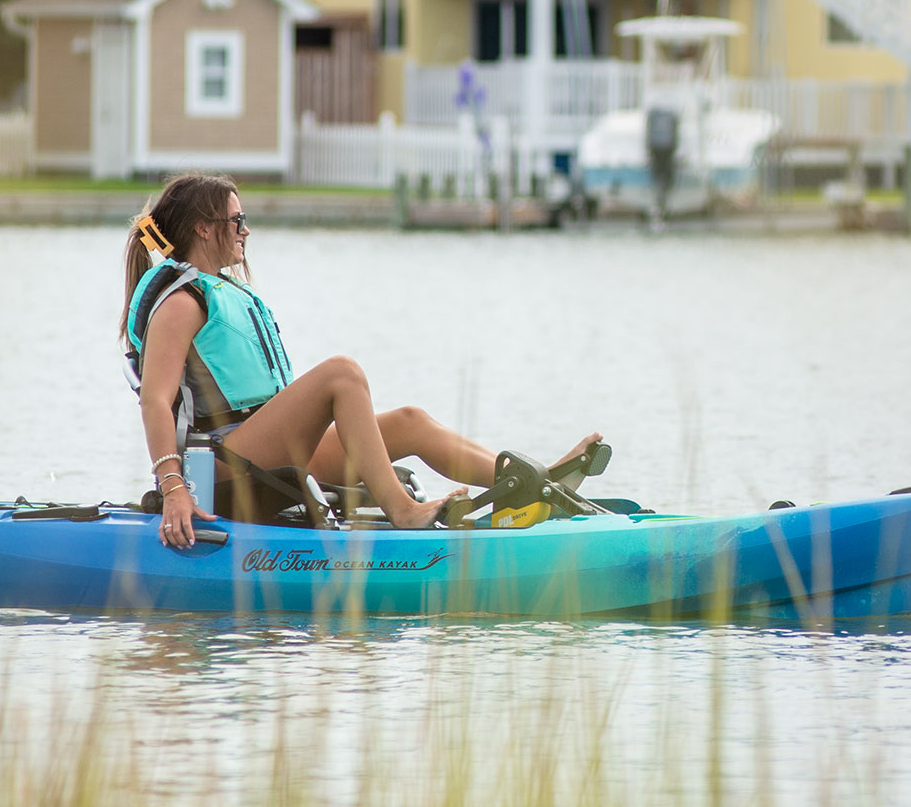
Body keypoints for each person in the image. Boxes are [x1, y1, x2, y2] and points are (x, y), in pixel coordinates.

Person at [122, 173, 599, 546]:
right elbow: (156, 402)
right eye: (236, 221)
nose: (246, 230)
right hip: (222, 469)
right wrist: (174, 490)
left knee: (411, 421)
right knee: (342, 375)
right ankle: (404, 512)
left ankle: (533, 481)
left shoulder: (221, 292)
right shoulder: (181, 302)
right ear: (204, 229)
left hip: (263, 452)